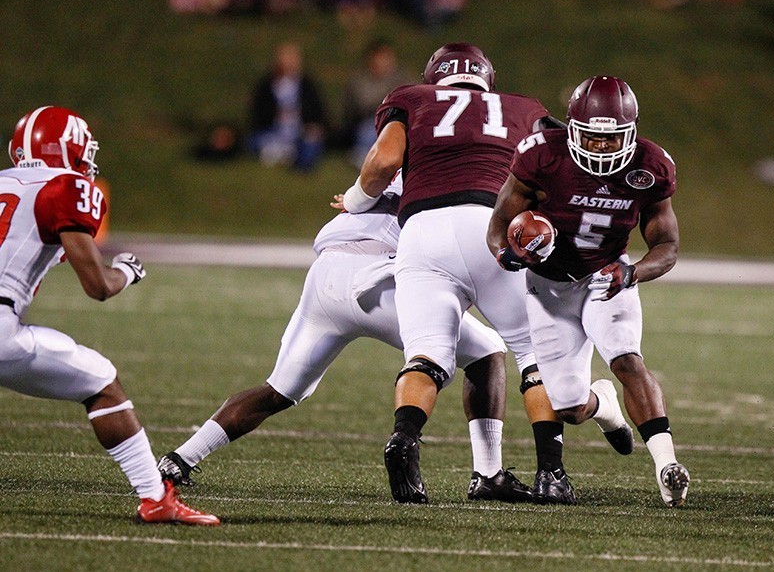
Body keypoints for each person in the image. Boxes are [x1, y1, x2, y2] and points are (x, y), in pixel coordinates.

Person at [338, 43, 631, 504]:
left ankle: (404, 439)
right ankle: (551, 475)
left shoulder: (411, 97)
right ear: (487, 79)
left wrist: (355, 199)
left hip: (421, 233)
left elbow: (384, 161)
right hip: (493, 227)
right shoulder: (521, 108)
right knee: (535, 354)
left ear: (435, 77)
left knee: (428, 355)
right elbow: (567, 163)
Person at [158, 172, 532, 503]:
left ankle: (179, 460)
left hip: (325, 279)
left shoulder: (392, 171)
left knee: (279, 389)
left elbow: (375, 176)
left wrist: (357, 195)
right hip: (378, 280)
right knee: (486, 351)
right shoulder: (451, 180)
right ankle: (486, 472)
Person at [0, 106, 219, 525]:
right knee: (102, 381)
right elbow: (98, 286)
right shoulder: (64, 187)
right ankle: (155, 498)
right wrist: (125, 271)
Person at [486, 75, 690, 507]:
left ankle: (666, 464)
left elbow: (668, 246)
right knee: (569, 406)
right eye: (593, 138)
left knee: (626, 358)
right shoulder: (542, 157)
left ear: (630, 133)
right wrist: (507, 256)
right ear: (573, 130)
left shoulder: (650, 167)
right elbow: (499, 226)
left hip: (606, 276)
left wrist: (633, 272)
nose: (601, 148)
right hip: (550, 287)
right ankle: (605, 408)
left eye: (611, 138)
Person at [247, 41, 328, 171]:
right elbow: (257, 113)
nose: (290, 62)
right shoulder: (267, 85)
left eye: (294, 58)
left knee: (311, 143)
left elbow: (318, 112)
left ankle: (295, 159)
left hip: (299, 132)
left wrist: (312, 126)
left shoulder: (307, 85)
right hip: (272, 132)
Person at [341, 40, 414, 166]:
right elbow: (363, 105)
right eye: (381, 58)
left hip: (399, 121)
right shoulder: (361, 80)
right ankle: (364, 156)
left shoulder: (402, 77)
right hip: (370, 122)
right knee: (370, 131)